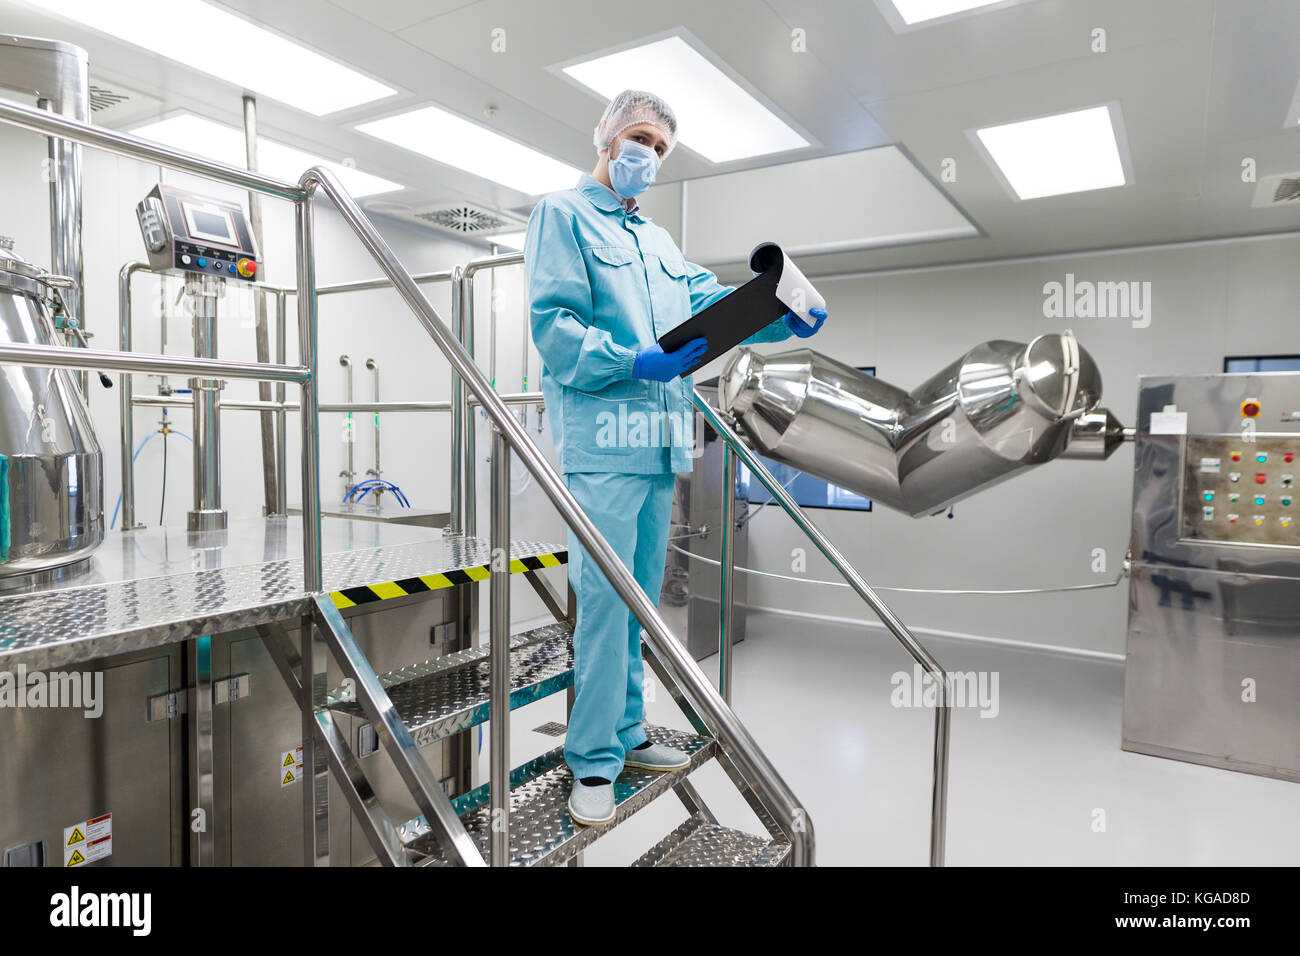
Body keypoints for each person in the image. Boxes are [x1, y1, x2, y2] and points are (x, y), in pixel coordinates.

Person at [523, 90, 827, 826]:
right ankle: (591, 758)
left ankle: (628, 733)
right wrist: (634, 360)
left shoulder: (656, 243)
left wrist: (780, 310)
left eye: (659, 148)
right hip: (602, 445)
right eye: (638, 138)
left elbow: (710, 303)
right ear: (604, 135)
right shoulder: (560, 215)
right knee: (604, 606)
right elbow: (554, 328)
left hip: (660, 447)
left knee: (640, 605)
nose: (647, 155)